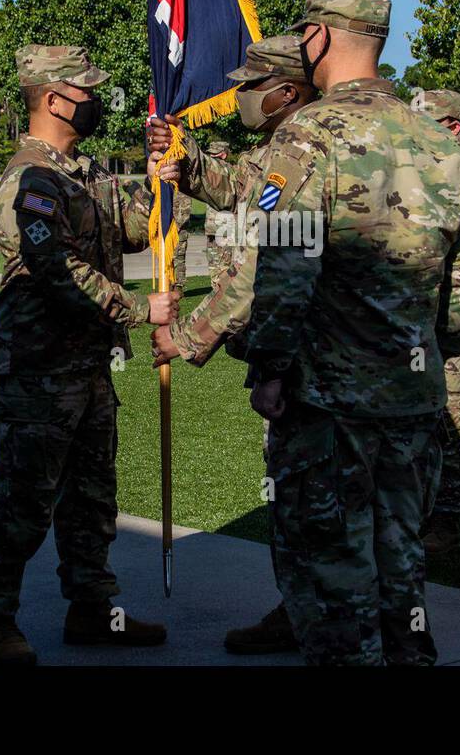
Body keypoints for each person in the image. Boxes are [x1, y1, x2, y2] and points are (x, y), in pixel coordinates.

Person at [240, 0, 460, 665]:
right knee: (402, 567)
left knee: (334, 577)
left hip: (327, 401)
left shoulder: (308, 135)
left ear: (318, 38)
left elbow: (286, 270)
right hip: (412, 395)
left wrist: (267, 368)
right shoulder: (442, 143)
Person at [0, 45, 177, 665]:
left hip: (85, 369)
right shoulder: (30, 180)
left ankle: (94, 608)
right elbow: (54, 269)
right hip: (37, 370)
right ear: (54, 99)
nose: (95, 101)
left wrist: (162, 173)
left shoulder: (81, 173)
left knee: (91, 498)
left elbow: (137, 226)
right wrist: (139, 310)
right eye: (85, 92)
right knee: (22, 501)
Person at [147, 34, 319, 655]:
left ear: (287, 91)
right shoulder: (281, 149)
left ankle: (321, 618)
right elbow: (236, 186)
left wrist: (191, 338)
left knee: (312, 494)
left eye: (252, 84)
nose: (240, 95)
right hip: (312, 360)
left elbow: (257, 264)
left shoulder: (306, 150)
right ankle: (305, 608)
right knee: (311, 492)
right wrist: (183, 159)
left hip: (312, 362)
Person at [413, 89, 460, 554]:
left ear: (454, 128)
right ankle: (418, 513)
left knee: (453, 424)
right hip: (414, 323)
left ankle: (447, 520)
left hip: (451, 325)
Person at [203, 139, 235, 285]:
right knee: (224, 266)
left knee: (213, 265)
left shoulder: (207, 171)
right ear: (224, 154)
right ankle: (220, 297)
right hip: (224, 226)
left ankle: (215, 291)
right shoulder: (229, 170)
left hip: (211, 225)